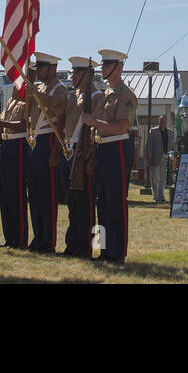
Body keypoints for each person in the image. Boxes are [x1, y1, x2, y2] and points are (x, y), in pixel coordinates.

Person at [83, 49, 137, 263]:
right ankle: (102, 249)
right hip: (101, 149)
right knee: (101, 203)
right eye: (103, 65)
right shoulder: (103, 94)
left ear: (118, 67)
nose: (103, 68)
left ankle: (117, 252)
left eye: (107, 65)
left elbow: (121, 127)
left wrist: (93, 123)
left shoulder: (126, 95)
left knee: (116, 203)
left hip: (116, 149)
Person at [24, 52, 68, 253]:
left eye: (41, 67)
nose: (39, 70)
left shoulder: (60, 89)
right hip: (36, 139)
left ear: (52, 69)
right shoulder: (39, 88)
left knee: (47, 194)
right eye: (38, 67)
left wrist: (56, 151)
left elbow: (57, 109)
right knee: (34, 193)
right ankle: (38, 236)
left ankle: (48, 240)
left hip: (50, 138)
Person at [0, 84, 31, 249]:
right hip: (6, 146)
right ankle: (10, 237)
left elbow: (24, 125)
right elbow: (1, 125)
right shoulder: (11, 102)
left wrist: (0, 122)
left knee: (16, 194)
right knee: (5, 194)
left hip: (18, 145)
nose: (16, 86)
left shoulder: (28, 102)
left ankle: (20, 239)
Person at [62, 56, 96, 257]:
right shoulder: (73, 96)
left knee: (85, 204)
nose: (73, 76)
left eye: (77, 72)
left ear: (87, 74)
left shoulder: (97, 96)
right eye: (72, 72)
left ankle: (85, 246)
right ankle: (72, 244)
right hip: (70, 149)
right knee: (73, 203)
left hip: (84, 151)